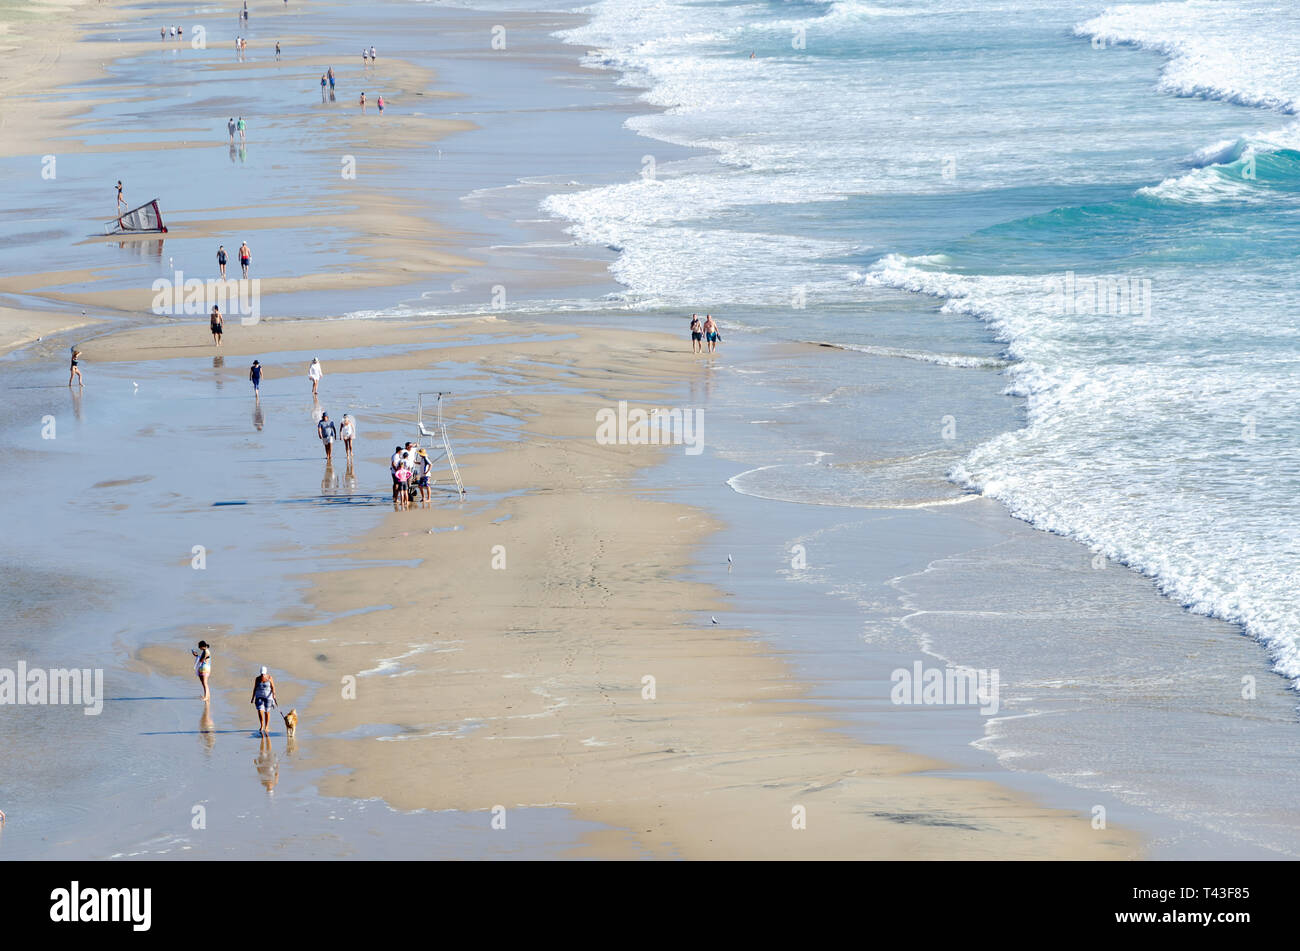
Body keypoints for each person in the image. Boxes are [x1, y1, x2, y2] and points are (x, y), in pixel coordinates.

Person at [250, 666, 278, 736]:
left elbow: (273, 687)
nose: (263, 675)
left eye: (264, 674)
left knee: (267, 712)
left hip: (268, 697)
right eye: (262, 674)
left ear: (266, 673)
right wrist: (252, 698)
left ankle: (266, 726)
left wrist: (274, 695)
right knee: (260, 710)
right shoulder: (257, 679)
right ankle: (262, 725)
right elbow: (255, 688)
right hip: (259, 696)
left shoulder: (270, 678)